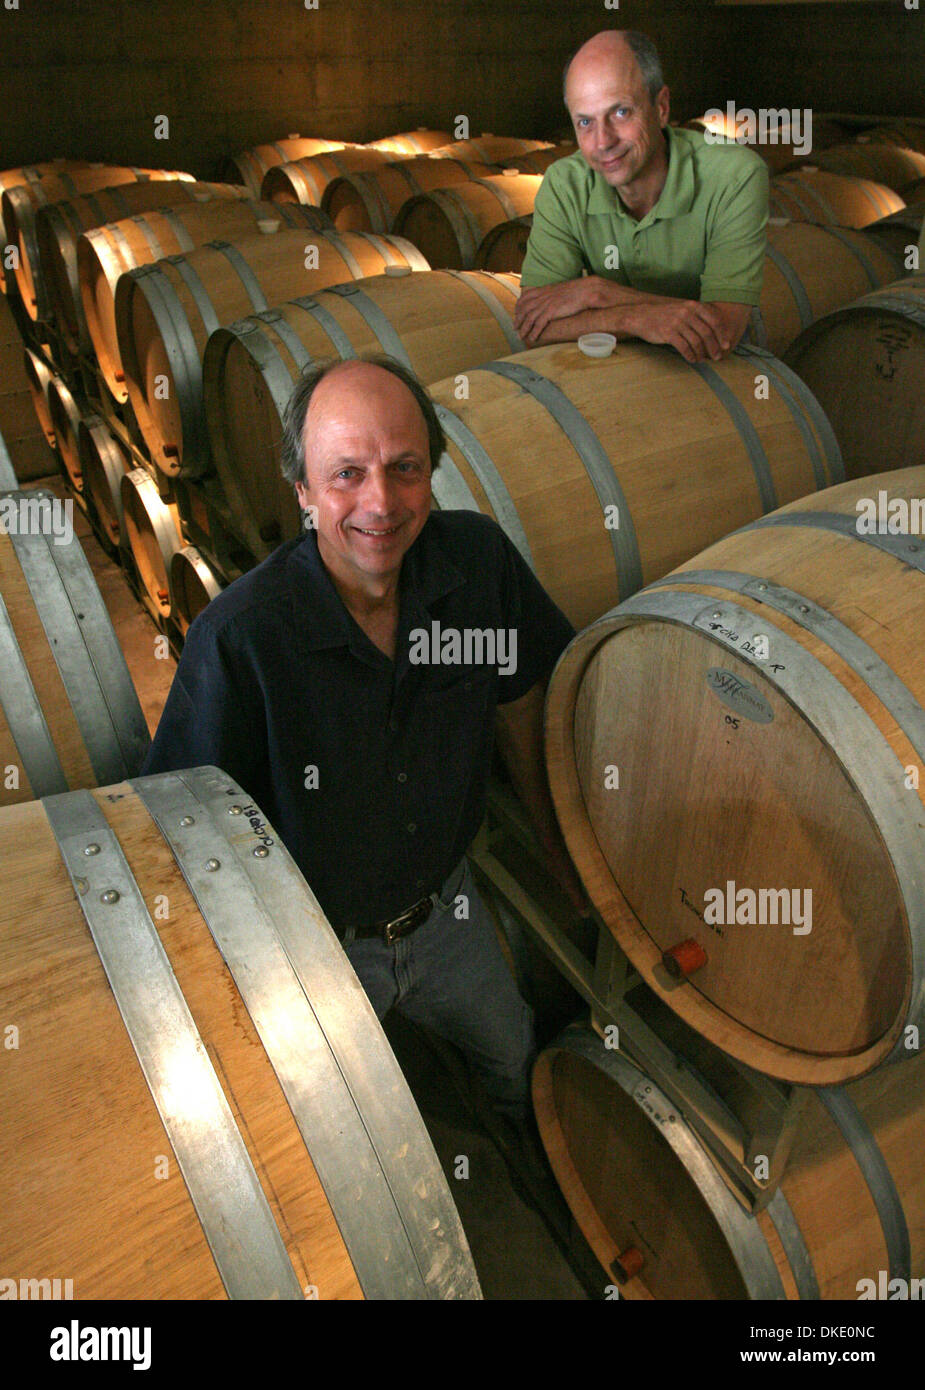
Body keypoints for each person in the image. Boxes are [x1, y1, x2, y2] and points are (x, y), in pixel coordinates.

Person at [141, 355, 584, 1122]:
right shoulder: (241, 639)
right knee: (335, 1125)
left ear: (432, 473)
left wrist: (558, 850)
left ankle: (534, 1156)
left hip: (447, 912)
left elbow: (520, 705)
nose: (380, 502)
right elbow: (182, 828)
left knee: (514, 1060)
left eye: (403, 467)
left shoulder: (475, 564)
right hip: (316, 951)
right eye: (346, 474)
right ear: (303, 492)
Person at [515, 29, 769, 364]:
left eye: (620, 112)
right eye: (585, 122)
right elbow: (533, 327)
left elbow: (720, 332)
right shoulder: (564, 183)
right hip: (613, 375)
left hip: (711, 377)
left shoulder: (735, 176)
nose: (602, 141)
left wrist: (597, 294)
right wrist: (632, 317)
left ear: (661, 107)